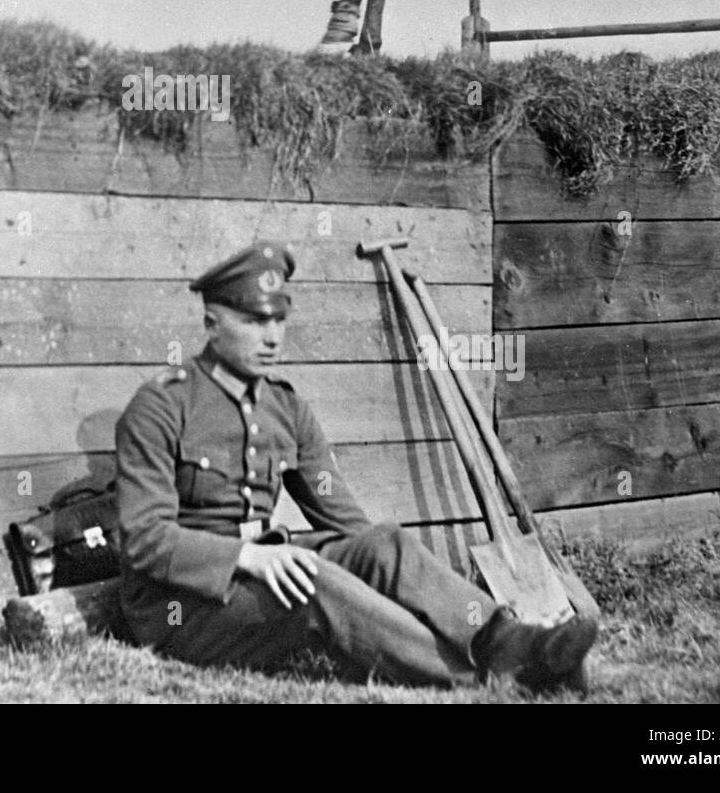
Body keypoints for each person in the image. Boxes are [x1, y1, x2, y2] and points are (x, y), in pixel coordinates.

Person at [114, 240, 597, 690]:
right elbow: (144, 539)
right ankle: (487, 676)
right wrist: (250, 556)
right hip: (180, 606)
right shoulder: (161, 406)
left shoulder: (286, 409)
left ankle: (507, 641)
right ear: (212, 323)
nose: (272, 337)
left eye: (279, 320)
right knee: (312, 583)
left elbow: (344, 521)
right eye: (254, 322)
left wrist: (381, 580)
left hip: (259, 579)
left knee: (381, 544)